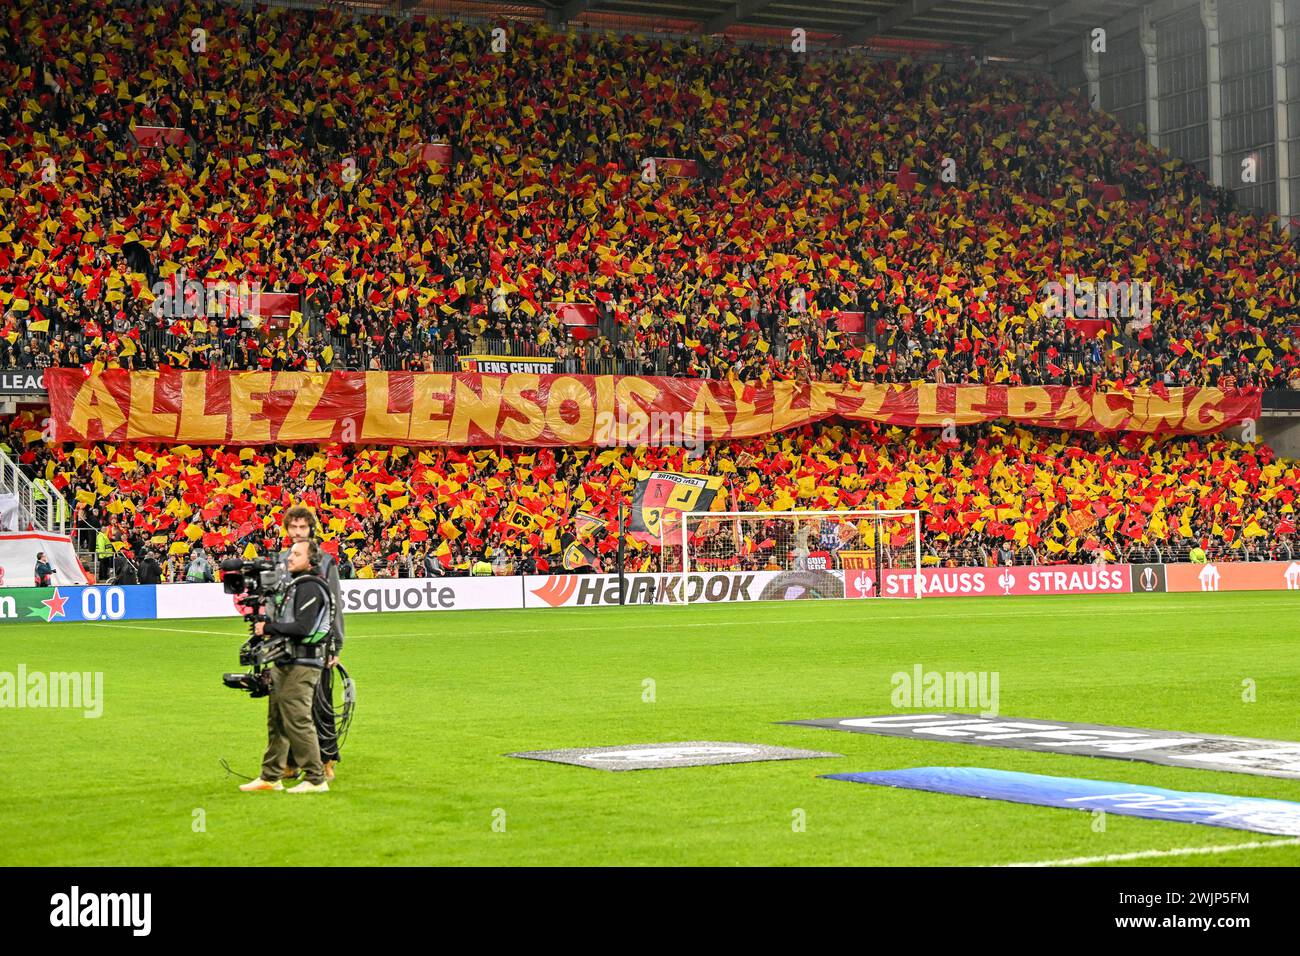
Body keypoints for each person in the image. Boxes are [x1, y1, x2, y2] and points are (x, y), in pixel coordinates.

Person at [239, 539, 333, 793]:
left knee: (297, 720)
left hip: (303, 661)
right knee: (277, 720)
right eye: (290, 553)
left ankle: (315, 778)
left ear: (311, 560)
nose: (289, 558)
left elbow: (302, 627)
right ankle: (270, 776)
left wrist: (268, 628)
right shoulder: (297, 585)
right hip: (288, 659)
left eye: (296, 554)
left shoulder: (311, 587)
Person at [280, 505, 345, 781]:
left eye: (302, 527)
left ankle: (327, 758)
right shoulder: (282, 560)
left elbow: (334, 605)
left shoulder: (325, 562)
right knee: (290, 705)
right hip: (290, 643)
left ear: (311, 530)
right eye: (293, 527)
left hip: (319, 645)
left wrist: (335, 645)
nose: (297, 532)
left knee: (321, 705)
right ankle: (291, 762)